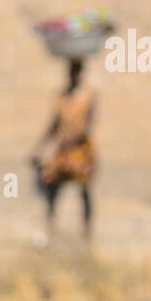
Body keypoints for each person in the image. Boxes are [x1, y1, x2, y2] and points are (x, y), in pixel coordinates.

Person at [31, 57, 96, 237]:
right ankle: (51, 227)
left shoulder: (88, 97)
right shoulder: (60, 97)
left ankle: (86, 230)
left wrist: (73, 139)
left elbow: (88, 124)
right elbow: (54, 124)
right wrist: (38, 148)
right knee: (53, 186)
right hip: (63, 150)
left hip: (80, 149)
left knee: (84, 189)